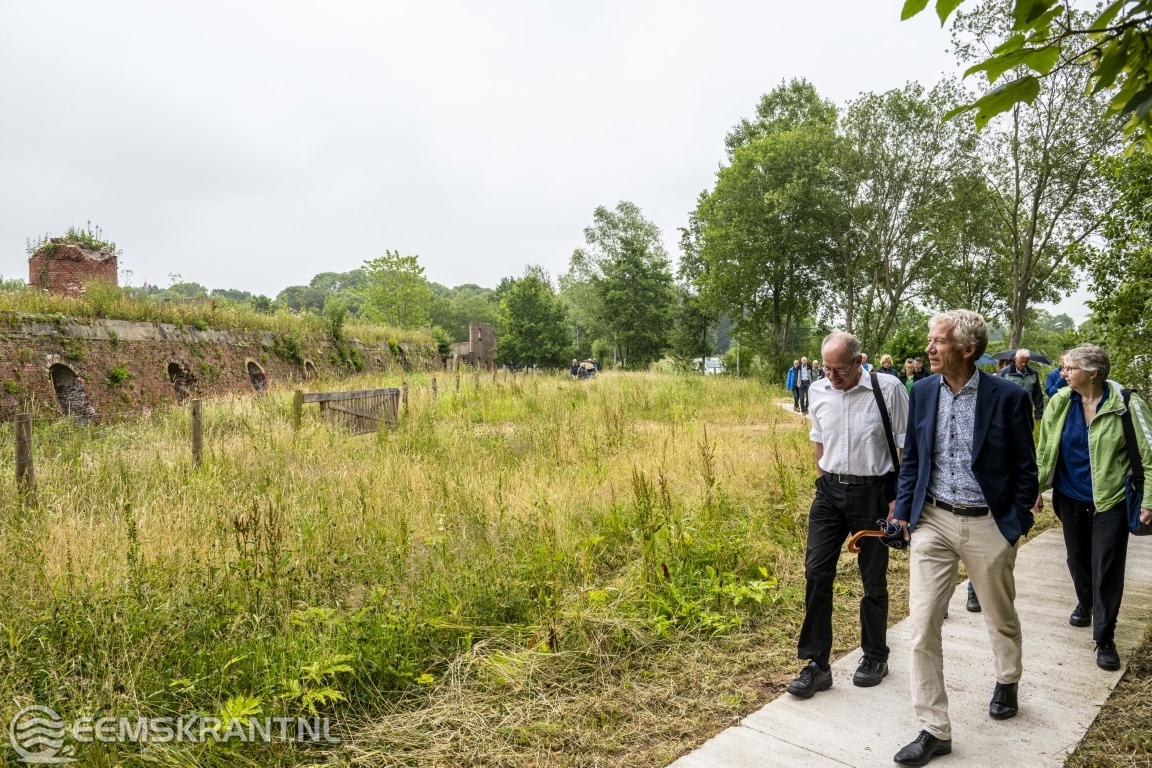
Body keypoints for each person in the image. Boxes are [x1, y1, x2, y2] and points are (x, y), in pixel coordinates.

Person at [892, 310, 1038, 767]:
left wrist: (1016, 523)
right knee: (922, 626)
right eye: (930, 340)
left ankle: (1007, 678)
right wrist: (903, 512)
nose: (929, 349)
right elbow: (913, 459)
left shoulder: (1008, 397)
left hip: (988, 523)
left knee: (999, 615)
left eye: (938, 341)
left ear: (967, 349)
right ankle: (934, 729)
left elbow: (1025, 467)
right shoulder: (921, 391)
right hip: (933, 520)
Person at [786, 332, 908, 700]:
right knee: (816, 572)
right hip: (829, 493)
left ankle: (875, 656)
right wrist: (822, 481)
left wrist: (899, 502)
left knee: (873, 578)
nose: (832, 376)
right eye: (826, 368)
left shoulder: (888, 389)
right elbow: (818, 439)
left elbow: (908, 446)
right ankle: (817, 665)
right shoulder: (819, 391)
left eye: (839, 369)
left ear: (859, 362)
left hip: (874, 495)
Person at [1035, 345, 1152, 670]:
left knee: (1107, 566)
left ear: (1093, 373)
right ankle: (1085, 603)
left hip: (1112, 500)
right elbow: (1044, 450)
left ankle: (1104, 637)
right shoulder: (1061, 402)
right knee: (1077, 559)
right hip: (1070, 497)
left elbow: (1149, 455)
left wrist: (1149, 500)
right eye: (1063, 367)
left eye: (1069, 368)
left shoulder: (1127, 404)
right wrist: (1035, 488)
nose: (1063, 373)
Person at [998, 348, 1045, 421]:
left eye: (1026, 362)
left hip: (1027, 410)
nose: (1024, 364)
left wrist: (1039, 413)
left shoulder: (1033, 373)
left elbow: (1037, 394)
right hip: (1009, 410)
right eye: (1021, 361)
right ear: (1015, 359)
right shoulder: (1004, 373)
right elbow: (998, 392)